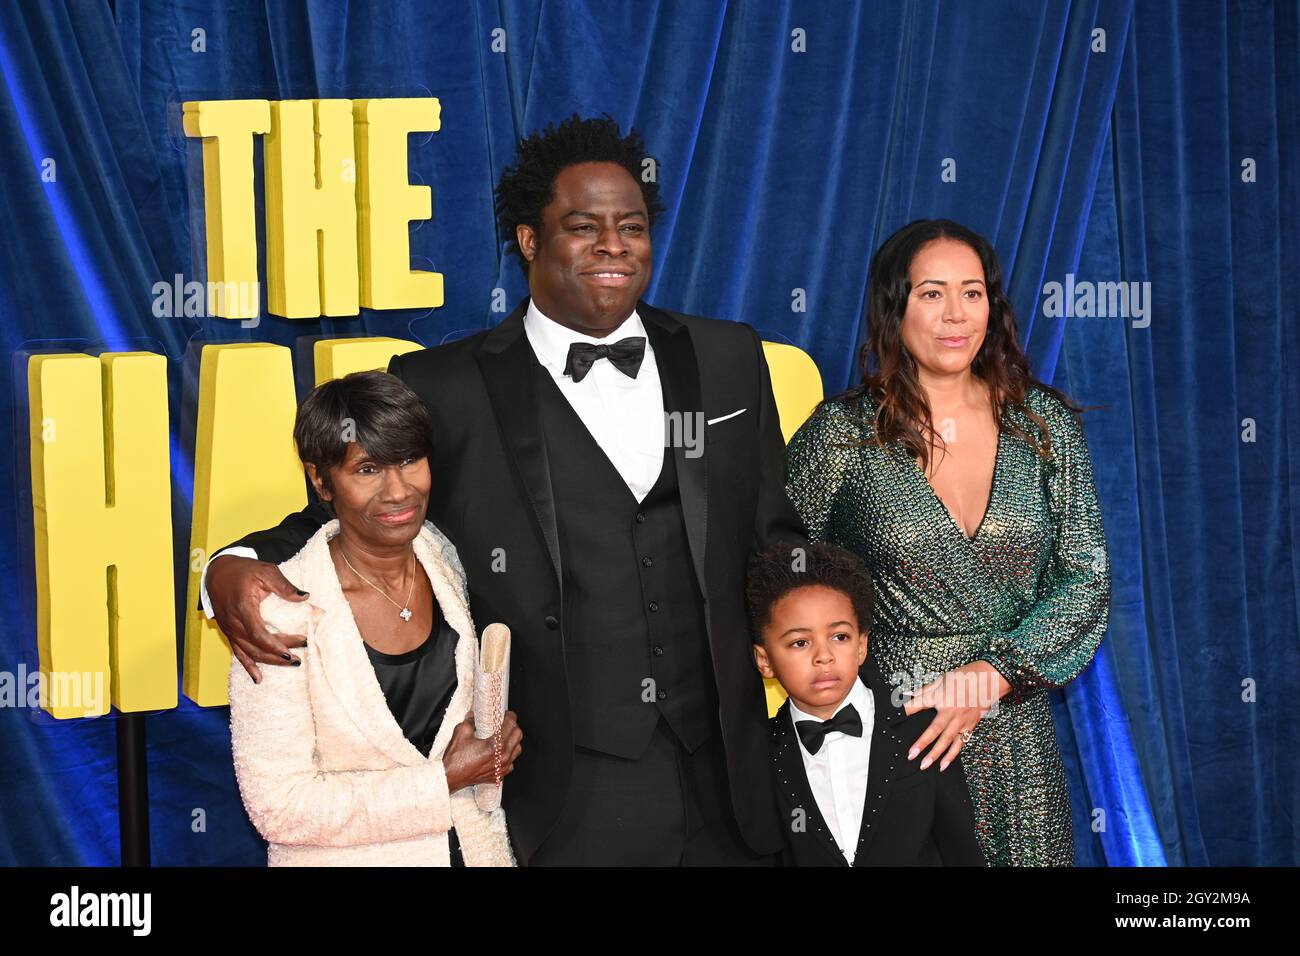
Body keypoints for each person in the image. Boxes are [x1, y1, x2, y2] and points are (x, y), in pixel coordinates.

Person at [203, 115, 806, 866]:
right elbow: (360, 508)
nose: (614, 245)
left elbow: (774, 535)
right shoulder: (446, 385)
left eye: (632, 226)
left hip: (729, 777)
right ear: (529, 241)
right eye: (583, 227)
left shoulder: (726, 358)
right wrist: (227, 567)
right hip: (564, 787)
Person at [784, 219, 1110, 866]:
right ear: (892, 307)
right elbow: (781, 580)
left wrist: (991, 676)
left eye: (972, 292)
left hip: (1015, 734)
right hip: (893, 729)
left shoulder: (1043, 427)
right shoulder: (840, 437)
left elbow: (1087, 580)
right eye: (931, 293)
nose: (955, 314)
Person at [227, 371, 521, 866]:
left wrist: (494, 744)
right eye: (367, 470)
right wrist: (442, 780)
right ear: (320, 480)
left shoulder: (443, 557)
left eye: (410, 461)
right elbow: (279, 807)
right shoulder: (282, 614)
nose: (399, 491)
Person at [747, 541, 986, 866]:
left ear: (862, 646)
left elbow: (960, 847)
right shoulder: (763, 752)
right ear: (765, 660)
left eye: (839, 637)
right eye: (800, 642)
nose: (823, 656)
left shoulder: (921, 727)